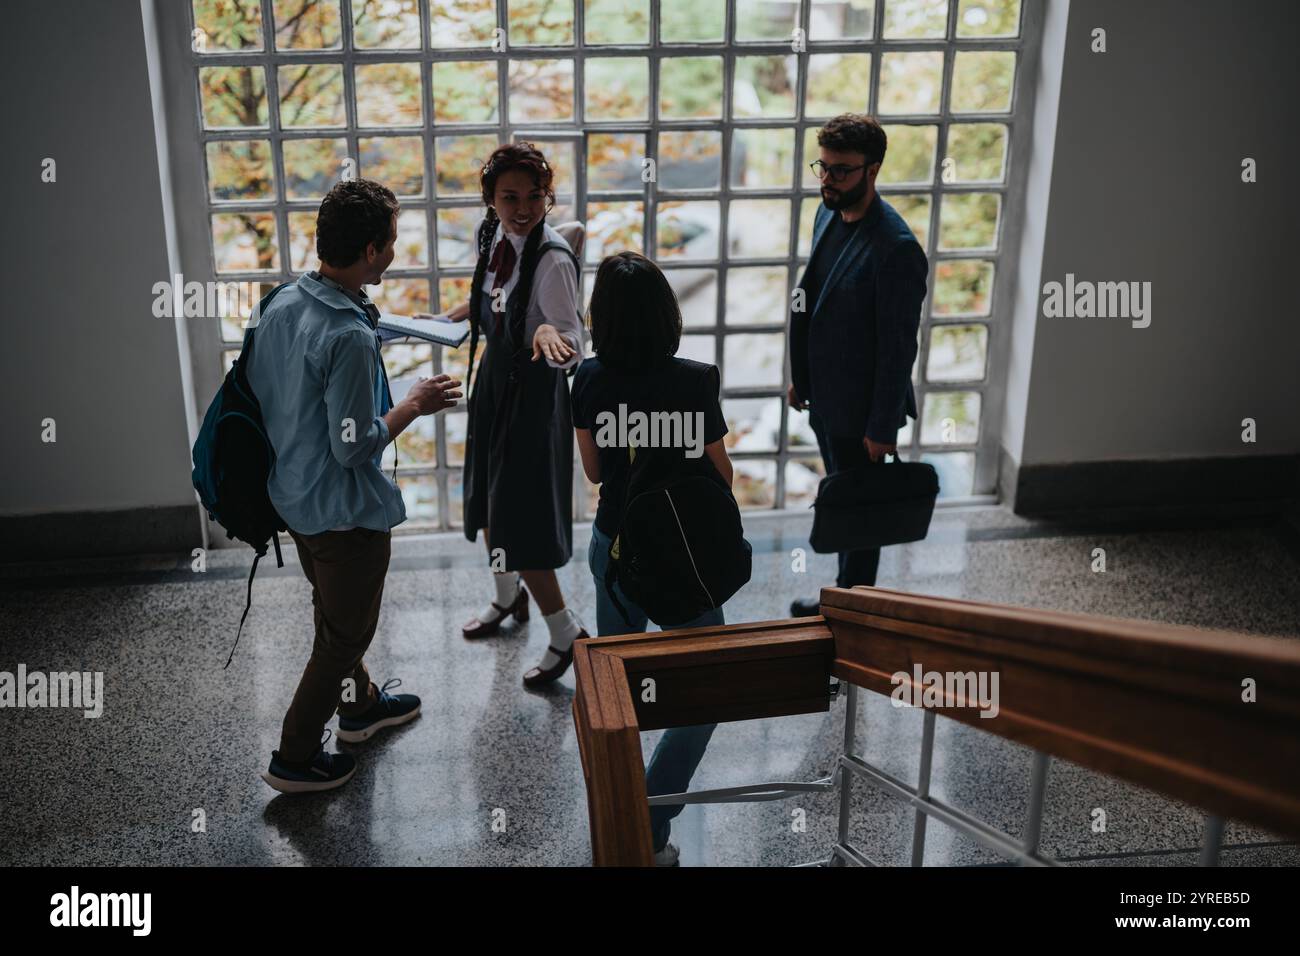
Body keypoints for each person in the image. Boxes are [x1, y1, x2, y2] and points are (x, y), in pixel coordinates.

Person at [247, 178, 462, 793]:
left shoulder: (283, 302)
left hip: (292, 496)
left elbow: (306, 367)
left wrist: (395, 329)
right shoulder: (348, 336)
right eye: (390, 243)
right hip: (343, 514)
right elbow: (355, 444)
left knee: (337, 618)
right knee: (342, 635)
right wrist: (415, 403)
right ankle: (294, 757)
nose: (393, 253)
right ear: (371, 251)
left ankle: (361, 707)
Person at [570, 251, 735, 866]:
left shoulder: (586, 379)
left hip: (613, 549)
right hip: (680, 554)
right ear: (668, 313)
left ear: (601, 319)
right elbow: (722, 475)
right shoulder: (694, 380)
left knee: (622, 693)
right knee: (708, 688)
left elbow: (593, 472)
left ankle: (622, 818)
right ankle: (651, 816)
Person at [424, 142, 590, 687]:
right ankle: (506, 595)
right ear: (490, 200)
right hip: (496, 380)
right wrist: (440, 320)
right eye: (509, 197)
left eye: (534, 196)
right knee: (491, 502)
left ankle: (566, 633)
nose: (522, 208)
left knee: (520, 519)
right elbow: (492, 302)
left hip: (534, 393)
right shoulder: (495, 236)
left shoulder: (553, 258)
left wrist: (547, 333)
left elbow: (572, 338)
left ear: (548, 196)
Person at [787, 114, 929, 617]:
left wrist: (881, 426)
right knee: (846, 505)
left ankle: (851, 612)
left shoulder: (897, 250)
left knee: (861, 516)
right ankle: (844, 600)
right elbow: (813, 299)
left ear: (873, 170)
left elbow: (897, 349)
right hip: (825, 399)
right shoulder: (827, 214)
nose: (827, 180)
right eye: (822, 168)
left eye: (841, 171)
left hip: (863, 412)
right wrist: (798, 375)